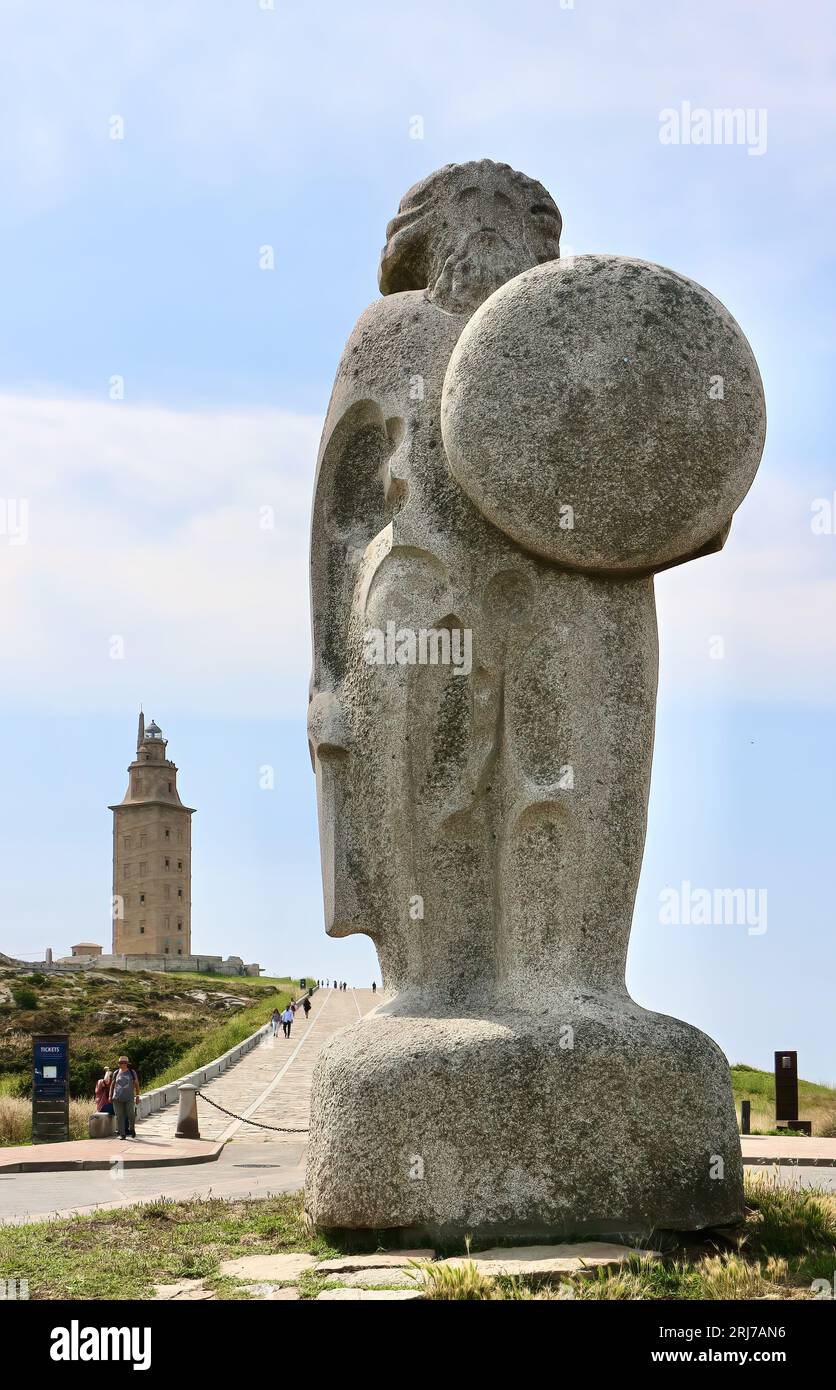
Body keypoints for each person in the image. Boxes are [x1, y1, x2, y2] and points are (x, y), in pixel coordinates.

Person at [109, 1056, 140, 1140]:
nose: (121, 1064)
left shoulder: (132, 1072)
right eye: (120, 1063)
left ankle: (132, 1128)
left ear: (126, 1063)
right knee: (119, 1116)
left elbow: (136, 1084)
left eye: (123, 1063)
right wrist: (110, 1095)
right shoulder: (116, 1072)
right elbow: (112, 1085)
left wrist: (137, 1096)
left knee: (131, 1114)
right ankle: (122, 1134)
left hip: (129, 1097)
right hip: (117, 1098)